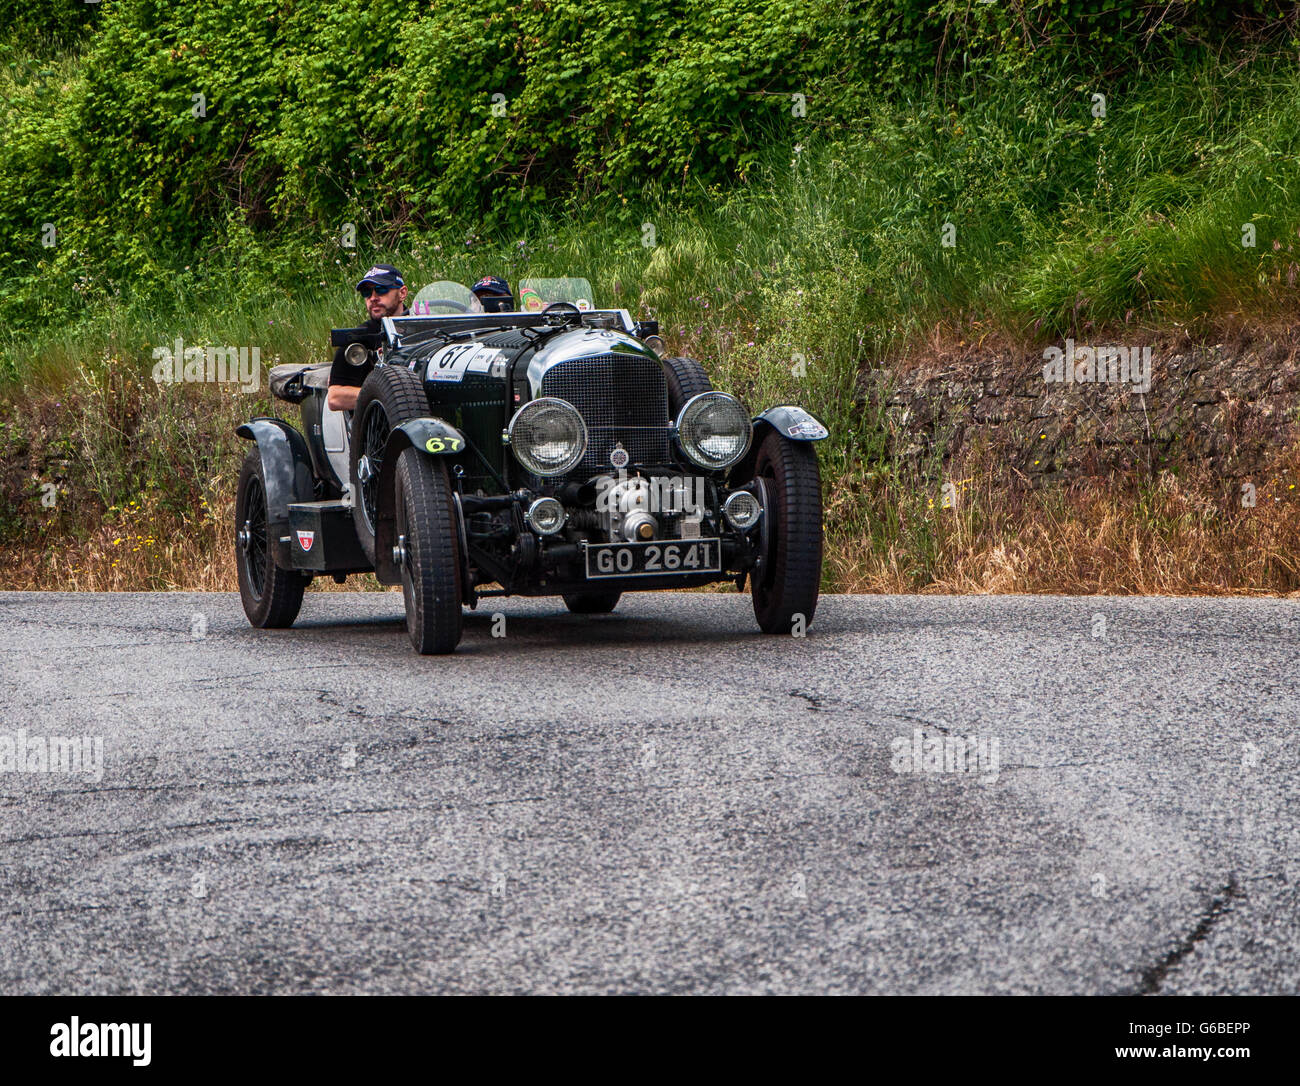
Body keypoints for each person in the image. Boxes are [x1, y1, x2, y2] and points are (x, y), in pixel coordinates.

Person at [326, 264, 409, 412]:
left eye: (381, 290)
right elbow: (334, 397)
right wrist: (393, 396)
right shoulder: (357, 338)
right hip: (376, 426)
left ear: (402, 293)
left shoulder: (424, 329)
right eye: (367, 292)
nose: (373, 298)